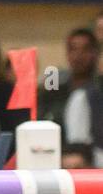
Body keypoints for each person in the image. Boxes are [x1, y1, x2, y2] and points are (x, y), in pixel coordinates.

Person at [41, 28, 103, 166]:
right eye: (73, 49)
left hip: (93, 158)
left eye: (85, 50)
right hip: (56, 155)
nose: (78, 56)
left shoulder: (99, 89)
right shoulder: (55, 86)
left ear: (95, 53)